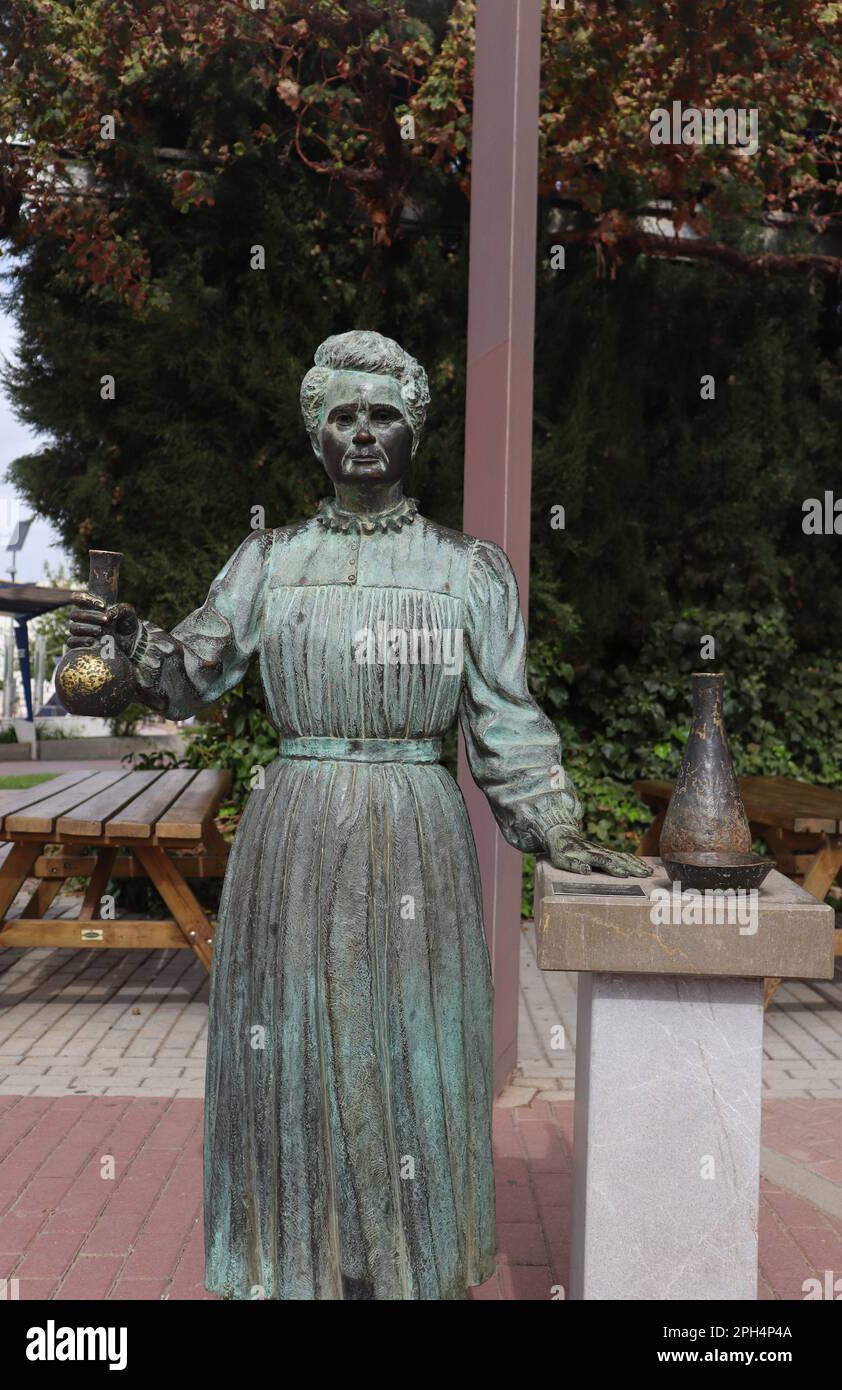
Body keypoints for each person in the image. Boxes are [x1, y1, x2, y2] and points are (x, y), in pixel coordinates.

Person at [67, 330, 649, 1300]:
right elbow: (191, 671)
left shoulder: (470, 572)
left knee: (410, 1048)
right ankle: (295, 1261)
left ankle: (407, 1262)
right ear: (316, 436)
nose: (364, 435)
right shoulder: (271, 560)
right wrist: (127, 642)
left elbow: (505, 721)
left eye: (383, 416)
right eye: (342, 417)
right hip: (295, 835)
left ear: (414, 431)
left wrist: (557, 826)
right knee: (292, 1047)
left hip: (415, 831)